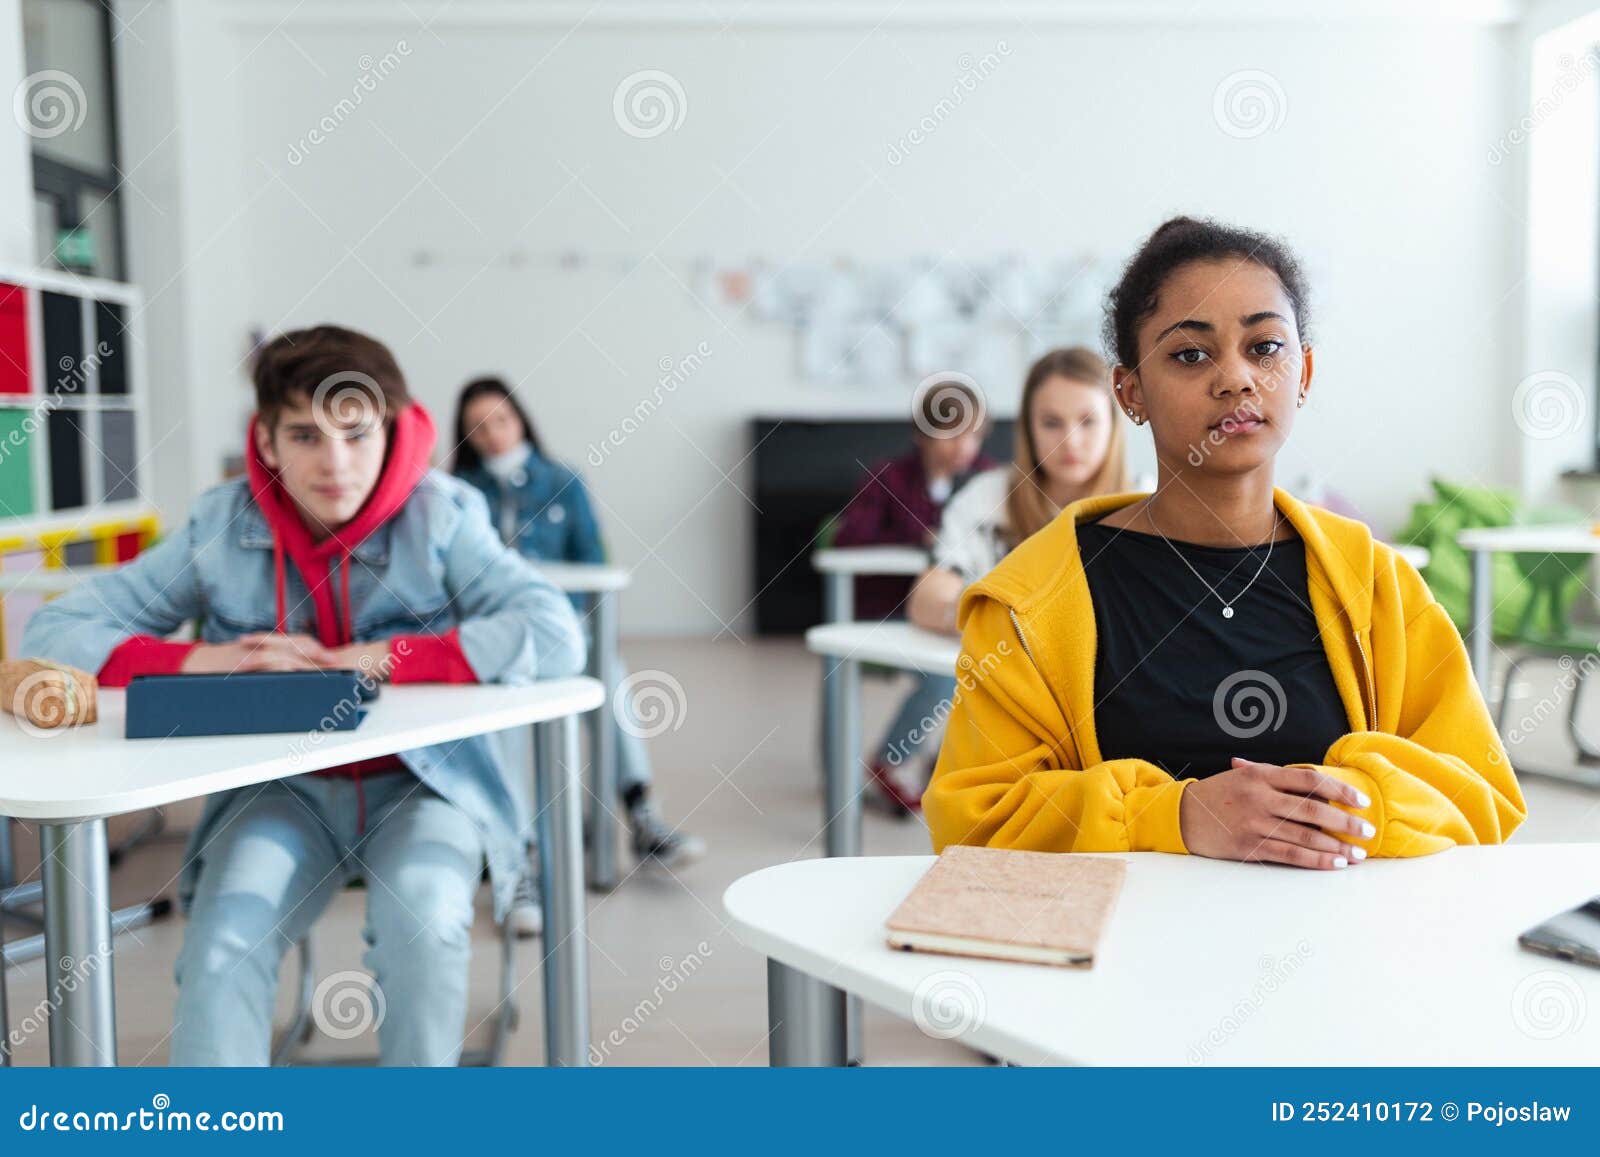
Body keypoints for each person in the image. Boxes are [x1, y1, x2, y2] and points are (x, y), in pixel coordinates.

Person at [22, 325, 587, 1065]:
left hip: (424, 786)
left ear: (390, 427)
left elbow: (555, 634)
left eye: (357, 434)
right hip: (278, 791)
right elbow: (54, 632)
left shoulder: (443, 512)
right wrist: (204, 656)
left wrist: (394, 654)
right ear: (265, 439)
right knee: (222, 942)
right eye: (305, 436)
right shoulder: (220, 524)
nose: (335, 463)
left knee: (428, 922)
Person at [924, 217, 1525, 865]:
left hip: (1342, 951)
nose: (1236, 377)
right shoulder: (1033, 596)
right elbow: (972, 822)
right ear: (1131, 393)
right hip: (1122, 952)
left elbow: (1482, 793)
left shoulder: (1379, 583)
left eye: (1265, 347)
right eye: (1190, 354)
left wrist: (1350, 803)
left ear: (1305, 372)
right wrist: (1174, 814)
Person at [452, 377, 705, 884]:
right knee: (503, 697)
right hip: (496, 637)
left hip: (561, 630)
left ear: (520, 419)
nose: (492, 435)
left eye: (500, 420)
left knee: (610, 673)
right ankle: (513, 847)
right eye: (477, 428)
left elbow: (593, 560)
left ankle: (640, 811)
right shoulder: (460, 495)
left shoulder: (562, 480)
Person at [831, 379, 992, 814]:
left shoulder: (988, 482)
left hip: (953, 613)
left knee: (994, 657)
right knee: (947, 672)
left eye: (974, 434)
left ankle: (952, 761)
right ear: (922, 433)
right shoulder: (889, 478)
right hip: (890, 612)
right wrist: (919, 539)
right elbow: (847, 540)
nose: (965, 446)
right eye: (952, 432)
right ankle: (891, 760)